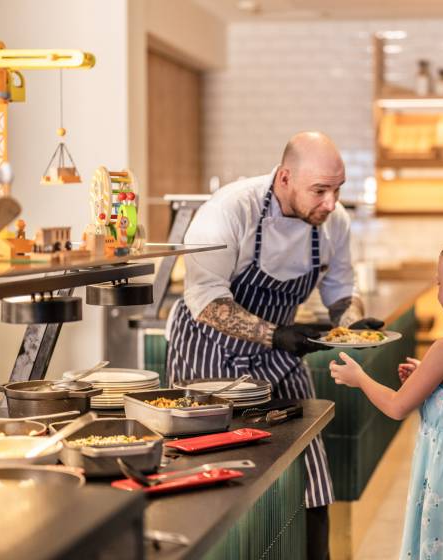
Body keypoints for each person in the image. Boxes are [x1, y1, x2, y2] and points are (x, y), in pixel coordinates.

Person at [166, 131, 383, 560]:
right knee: (221, 469)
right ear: (284, 178)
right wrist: (275, 334)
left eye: (337, 190)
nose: (331, 203)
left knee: (309, 466)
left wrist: (352, 323)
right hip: (208, 351)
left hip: (281, 356)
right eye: (320, 190)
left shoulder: (331, 222)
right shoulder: (230, 210)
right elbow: (206, 300)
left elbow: (340, 289)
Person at [329, 237, 443, 560]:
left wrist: (359, 379)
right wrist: (426, 376)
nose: (438, 289)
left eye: (439, 282)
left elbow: (397, 406)